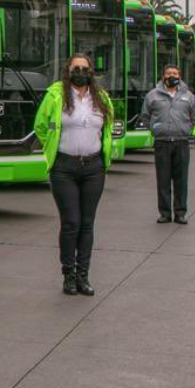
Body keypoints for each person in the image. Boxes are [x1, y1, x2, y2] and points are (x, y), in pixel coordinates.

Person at [33, 54, 115, 297]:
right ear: (67, 71)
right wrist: (52, 149)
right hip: (63, 168)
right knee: (71, 223)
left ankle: (83, 275)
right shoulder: (55, 96)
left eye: (84, 68)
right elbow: (40, 126)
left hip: (94, 168)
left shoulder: (101, 98)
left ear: (91, 72)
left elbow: (108, 128)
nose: (80, 72)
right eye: (75, 68)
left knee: (87, 224)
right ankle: (68, 274)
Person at [141, 64, 195, 224]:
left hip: (181, 142)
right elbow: (145, 116)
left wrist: (186, 130)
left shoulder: (188, 96)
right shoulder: (152, 95)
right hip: (162, 143)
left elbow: (194, 117)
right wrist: (155, 129)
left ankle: (180, 213)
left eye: (175, 73)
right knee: (163, 180)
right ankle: (165, 213)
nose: (171, 76)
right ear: (163, 76)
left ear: (179, 76)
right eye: (168, 73)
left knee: (181, 180)